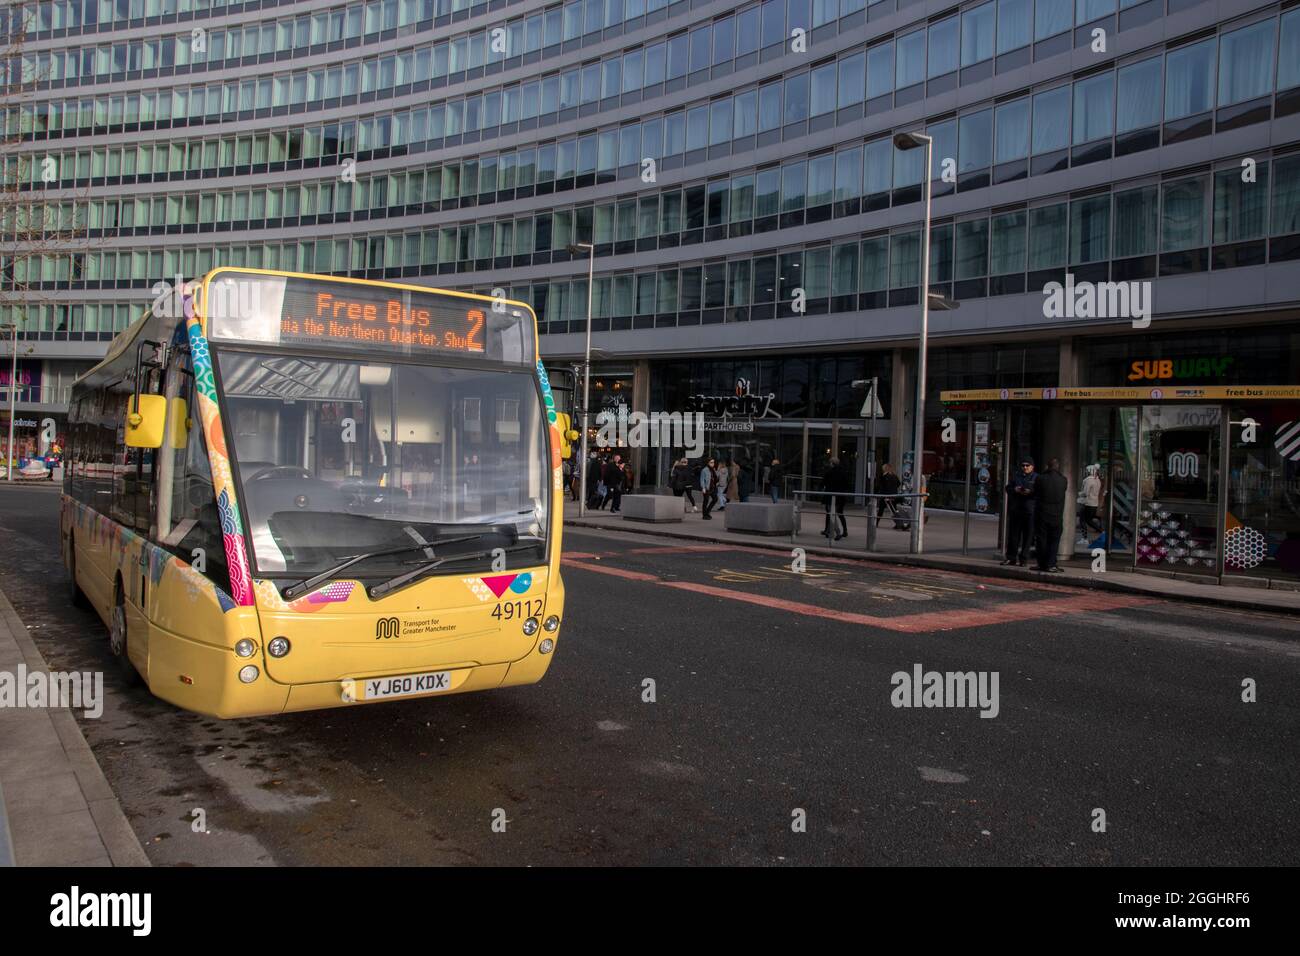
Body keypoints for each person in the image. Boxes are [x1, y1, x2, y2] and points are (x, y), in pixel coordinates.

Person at [1033, 457, 1068, 573]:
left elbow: (1035, 492)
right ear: (1058, 467)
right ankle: (1051, 564)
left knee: (1041, 540)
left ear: (1047, 466)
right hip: (1057, 515)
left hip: (1042, 514)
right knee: (1054, 541)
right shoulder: (1063, 480)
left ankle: (1042, 563)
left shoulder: (1040, 478)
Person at [1002, 457, 1037, 566]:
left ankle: (1024, 559)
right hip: (1017, 509)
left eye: (1027, 465)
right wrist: (1015, 490)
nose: (1025, 467)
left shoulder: (1036, 478)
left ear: (1032, 467)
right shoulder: (1017, 476)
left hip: (1029, 511)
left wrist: (1030, 492)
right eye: (1023, 465)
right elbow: (1008, 488)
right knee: (1013, 535)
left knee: (1028, 536)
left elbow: (1039, 492)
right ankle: (1011, 557)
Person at [822, 457, 851, 540]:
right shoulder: (843, 472)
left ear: (832, 463)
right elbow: (847, 484)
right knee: (839, 513)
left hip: (830, 496)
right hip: (840, 496)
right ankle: (843, 530)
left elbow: (823, 482)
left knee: (830, 513)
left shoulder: (829, 472)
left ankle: (836, 532)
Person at [1079, 464, 1104, 535]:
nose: (1086, 472)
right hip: (1094, 503)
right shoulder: (1098, 480)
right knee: (1089, 520)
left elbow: (1085, 493)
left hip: (1087, 503)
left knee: (1083, 520)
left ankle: (1084, 537)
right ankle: (1101, 530)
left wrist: (1078, 494)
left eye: (1086, 471)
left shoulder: (1088, 481)